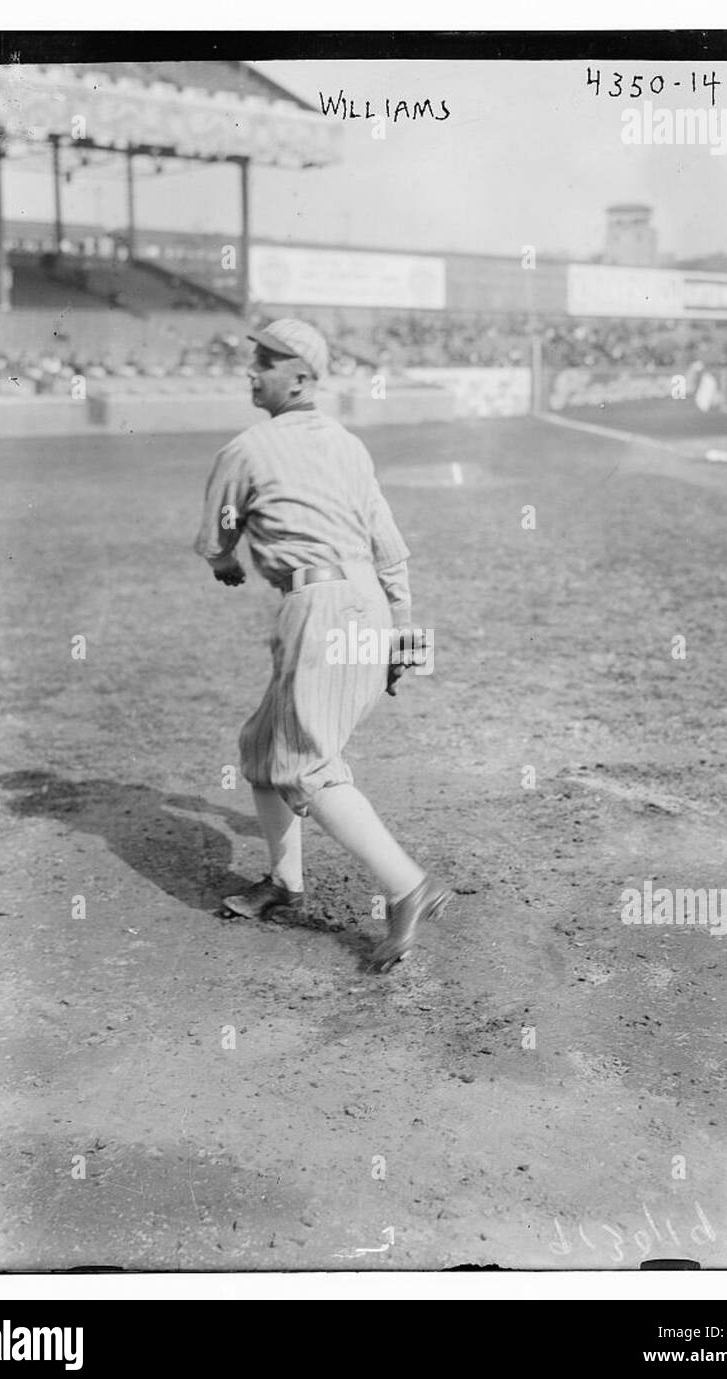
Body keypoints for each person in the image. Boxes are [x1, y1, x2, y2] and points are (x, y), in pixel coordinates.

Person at [194, 318, 451, 971]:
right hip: (365, 604)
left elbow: (217, 547)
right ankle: (285, 882)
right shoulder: (350, 445)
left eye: (267, 362)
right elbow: (391, 554)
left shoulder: (245, 450)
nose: (252, 371)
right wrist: (401, 639)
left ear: (302, 377)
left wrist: (227, 563)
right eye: (255, 359)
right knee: (263, 748)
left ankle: (406, 886)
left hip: (319, 607)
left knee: (306, 762)